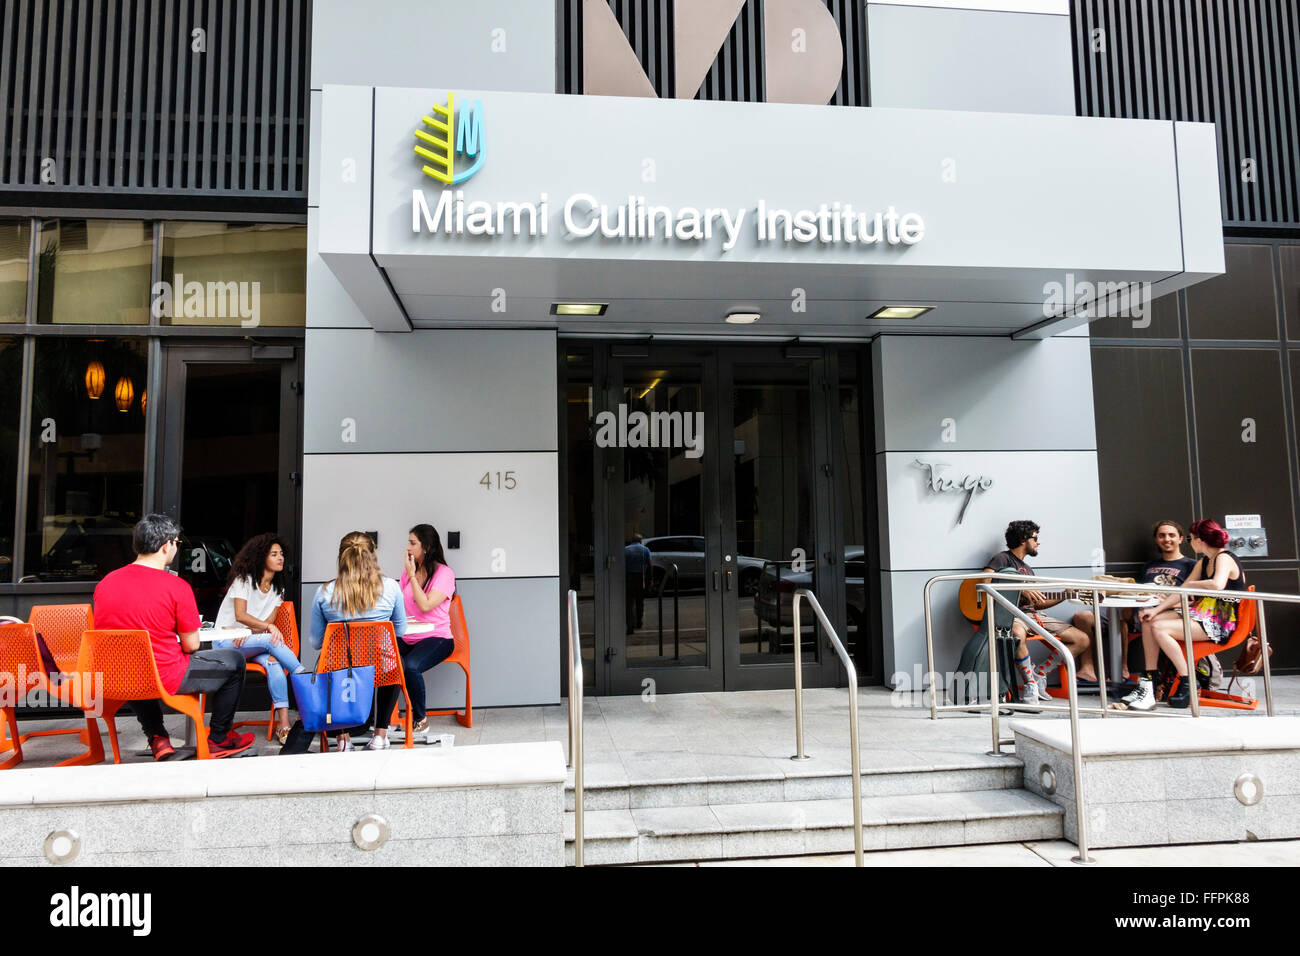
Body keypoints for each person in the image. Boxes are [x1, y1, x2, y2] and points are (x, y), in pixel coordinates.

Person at [92, 514, 255, 760]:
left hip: (118, 676)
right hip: (167, 677)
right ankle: (219, 739)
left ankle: (158, 738)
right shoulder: (176, 586)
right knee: (234, 661)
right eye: (177, 543)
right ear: (166, 545)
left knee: (135, 665)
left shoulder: (106, 583)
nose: (176, 548)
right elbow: (191, 645)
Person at [1116, 519, 1247, 711]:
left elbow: (1217, 584)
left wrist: (1190, 585)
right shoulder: (1204, 561)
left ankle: (1187, 681)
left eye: (1190, 538)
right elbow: (1181, 591)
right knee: (1149, 620)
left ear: (1199, 540)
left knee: (1160, 628)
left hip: (1219, 622)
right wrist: (1155, 610)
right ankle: (1149, 681)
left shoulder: (1224, 557)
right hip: (1200, 615)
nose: (1189, 541)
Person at [308, 531, 406, 751]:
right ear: (373, 556)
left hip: (341, 670)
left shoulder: (324, 592)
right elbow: (400, 630)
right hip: (380, 669)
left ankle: (343, 739)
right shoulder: (390, 587)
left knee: (330, 666)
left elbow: (315, 642)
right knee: (395, 661)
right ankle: (380, 735)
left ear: (341, 558)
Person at [983, 520, 1096, 703]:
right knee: (1017, 634)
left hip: (1034, 616)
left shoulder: (1028, 569)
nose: (1038, 542)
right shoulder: (1002, 559)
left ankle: (1039, 674)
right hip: (1014, 615)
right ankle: (1030, 684)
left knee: (1082, 639)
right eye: (1035, 538)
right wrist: (1018, 588)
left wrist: (1064, 596)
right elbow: (984, 584)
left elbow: (1036, 603)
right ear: (1023, 540)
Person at [369, 523, 460, 748]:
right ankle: (381, 724)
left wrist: (411, 574)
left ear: (426, 547)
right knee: (385, 662)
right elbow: (399, 604)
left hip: (437, 637)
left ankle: (420, 719)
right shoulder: (408, 572)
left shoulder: (444, 574)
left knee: (409, 666)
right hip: (408, 635)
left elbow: (426, 605)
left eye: (413, 543)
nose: (408, 548)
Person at [211, 533, 307, 745]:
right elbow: (240, 615)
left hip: (250, 643)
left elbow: (265, 623)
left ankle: (284, 725)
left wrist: (250, 632)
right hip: (226, 642)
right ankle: (305, 680)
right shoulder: (243, 580)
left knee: (273, 663)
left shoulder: (277, 589)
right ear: (261, 557)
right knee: (269, 641)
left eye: (281, 554)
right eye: (274, 554)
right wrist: (251, 630)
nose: (280, 558)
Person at [1073, 520, 1196, 678]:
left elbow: (1192, 599)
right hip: (1135, 610)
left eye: (1171, 535)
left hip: (1159, 615)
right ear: (1156, 539)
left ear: (1180, 538)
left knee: (1122, 614)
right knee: (1082, 617)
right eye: (1162, 535)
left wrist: (1164, 605)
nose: (1167, 539)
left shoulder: (1190, 565)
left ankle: (1122, 669)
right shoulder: (1149, 566)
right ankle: (1088, 670)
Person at [625, 534, 652, 634]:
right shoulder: (645, 550)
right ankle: (639, 621)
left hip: (629, 577)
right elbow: (650, 565)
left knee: (629, 603)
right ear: (641, 541)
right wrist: (650, 580)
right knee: (640, 601)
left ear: (631, 540)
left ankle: (630, 625)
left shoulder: (626, 549)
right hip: (641, 577)